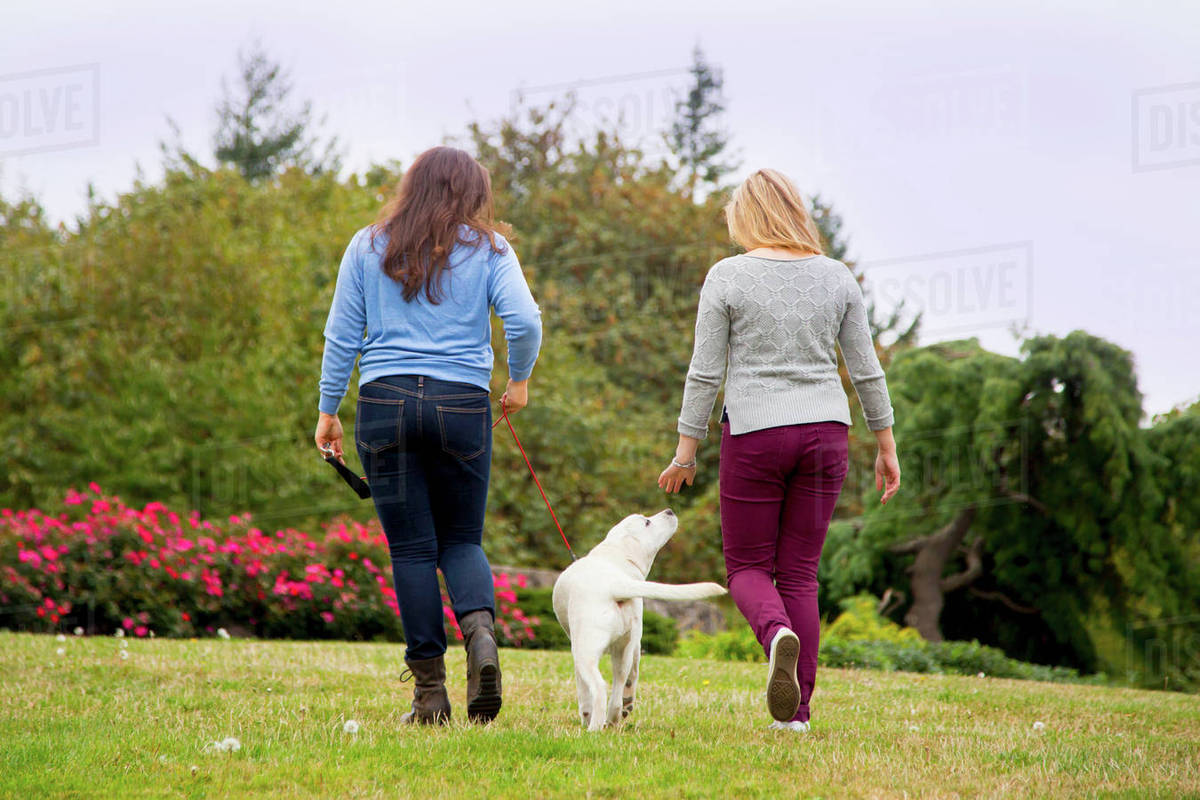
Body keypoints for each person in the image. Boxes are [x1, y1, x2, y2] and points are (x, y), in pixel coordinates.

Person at [658, 168, 901, 733]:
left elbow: (704, 373)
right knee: (800, 575)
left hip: (756, 435)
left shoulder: (727, 277)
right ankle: (799, 717)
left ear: (746, 215)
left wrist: (685, 451)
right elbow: (866, 373)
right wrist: (886, 445)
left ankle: (776, 636)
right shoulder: (838, 278)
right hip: (827, 435)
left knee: (747, 567)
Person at [314, 146, 542, 725]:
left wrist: (328, 410)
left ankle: (430, 696)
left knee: (412, 550)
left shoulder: (368, 244)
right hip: (462, 403)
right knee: (462, 541)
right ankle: (481, 637)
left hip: (385, 402)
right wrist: (517, 381)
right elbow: (524, 319)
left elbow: (342, 333)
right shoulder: (491, 249)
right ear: (473, 194)